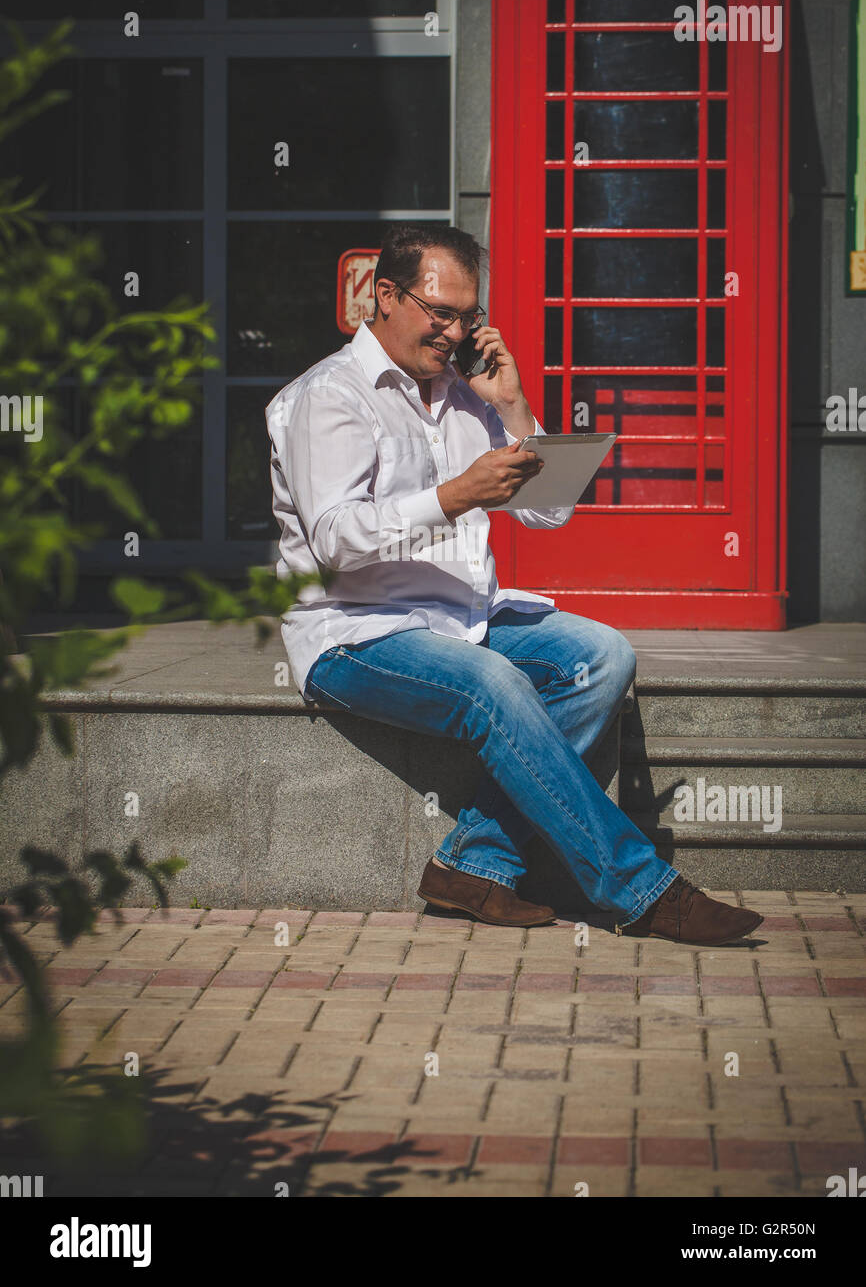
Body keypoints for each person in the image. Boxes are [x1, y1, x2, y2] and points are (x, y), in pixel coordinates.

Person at [265, 224, 764, 945]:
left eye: (468, 314)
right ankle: (640, 889)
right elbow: (335, 541)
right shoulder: (330, 396)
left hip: (463, 618)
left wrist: (513, 406)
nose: (456, 330)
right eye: (441, 312)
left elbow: (550, 510)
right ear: (386, 294)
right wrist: (456, 494)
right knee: (492, 685)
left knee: (602, 657)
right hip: (356, 631)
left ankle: (476, 863)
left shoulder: (470, 396)